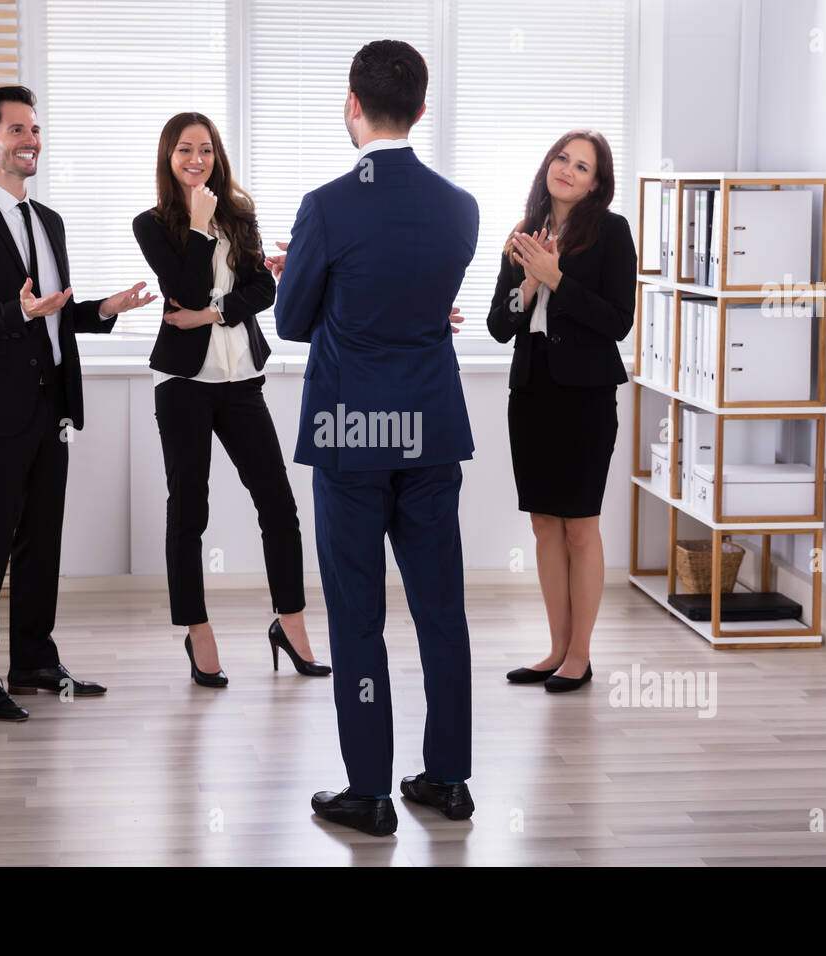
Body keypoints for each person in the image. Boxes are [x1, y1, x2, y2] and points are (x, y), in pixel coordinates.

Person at [272, 40, 480, 837]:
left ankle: (370, 791)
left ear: (351, 104)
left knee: (359, 617)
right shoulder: (458, 206)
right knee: (441, 612)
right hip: (430, 429)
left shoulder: (327, 205)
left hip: (351, 434)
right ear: (421, 110)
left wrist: (307, 276)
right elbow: (417, 303)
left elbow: (293, 321)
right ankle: (450, 778)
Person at [0, 85, 154, 721]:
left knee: (40, 540)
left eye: (36, 130)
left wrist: (104, 310)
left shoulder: (48, 221)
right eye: (19, 130)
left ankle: (32, 661)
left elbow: (54, 317)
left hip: (52, 405)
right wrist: (15, 311)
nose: (32, 141)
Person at [132, 112, 328, 688]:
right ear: (168, 156)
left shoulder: (239, 213)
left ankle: (290, 626)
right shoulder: (151, 224)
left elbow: (264, 288)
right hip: (182, 384)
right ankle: (198, 631)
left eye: (207, 149)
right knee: (190, 508)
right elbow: (184, 291)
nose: (197, 159)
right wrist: (195, 226)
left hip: (240, 376)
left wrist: (215, 313)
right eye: (185, 149)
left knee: (277, 502)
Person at [485, 129, 637, 694]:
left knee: (580, 527)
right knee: (545, 525)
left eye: (582, 166)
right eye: (562, 159)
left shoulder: (612, 232)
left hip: (586, 396)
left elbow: (618, 320)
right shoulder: (525, 233)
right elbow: (499, 326)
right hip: (532, 392)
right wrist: (526, 285)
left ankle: (581, 655)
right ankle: (555, 648)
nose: (568, 170)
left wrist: (557, 280)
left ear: (598, 183)